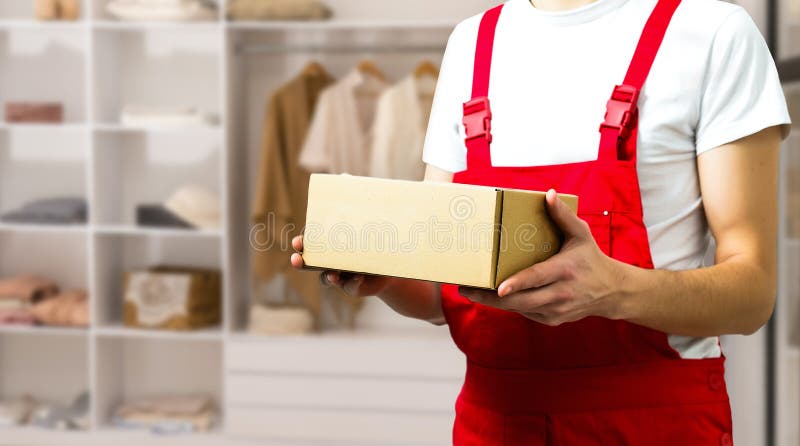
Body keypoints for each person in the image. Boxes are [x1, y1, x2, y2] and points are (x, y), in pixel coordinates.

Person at [291, 0, 791, 443]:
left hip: (650, 424)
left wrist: (611, 290)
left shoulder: (712, 32)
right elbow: (444, 293)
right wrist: (383, 275)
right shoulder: (472, 43)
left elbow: (752, 294)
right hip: (494, 424)